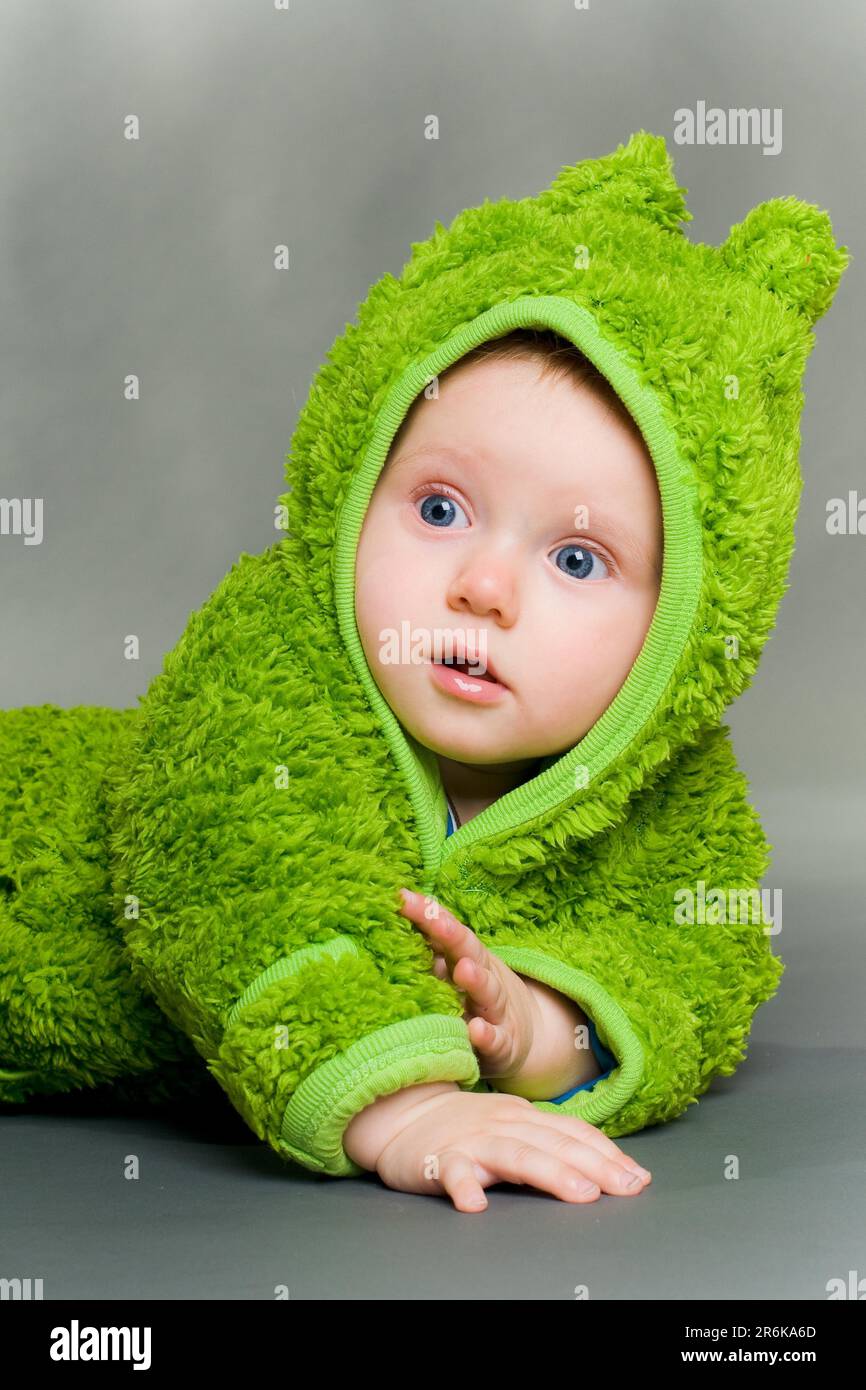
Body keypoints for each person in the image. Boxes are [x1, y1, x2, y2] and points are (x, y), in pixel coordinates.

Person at [0, 131, 848, 1215]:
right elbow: (242, 876)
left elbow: (693, 969)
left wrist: (540, 1023)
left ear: (681, 627)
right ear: (358, 479)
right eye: (440, 509)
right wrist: (401, 1102)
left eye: (576, 557)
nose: (483, 585)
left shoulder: (672, 802)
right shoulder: (265, 674)